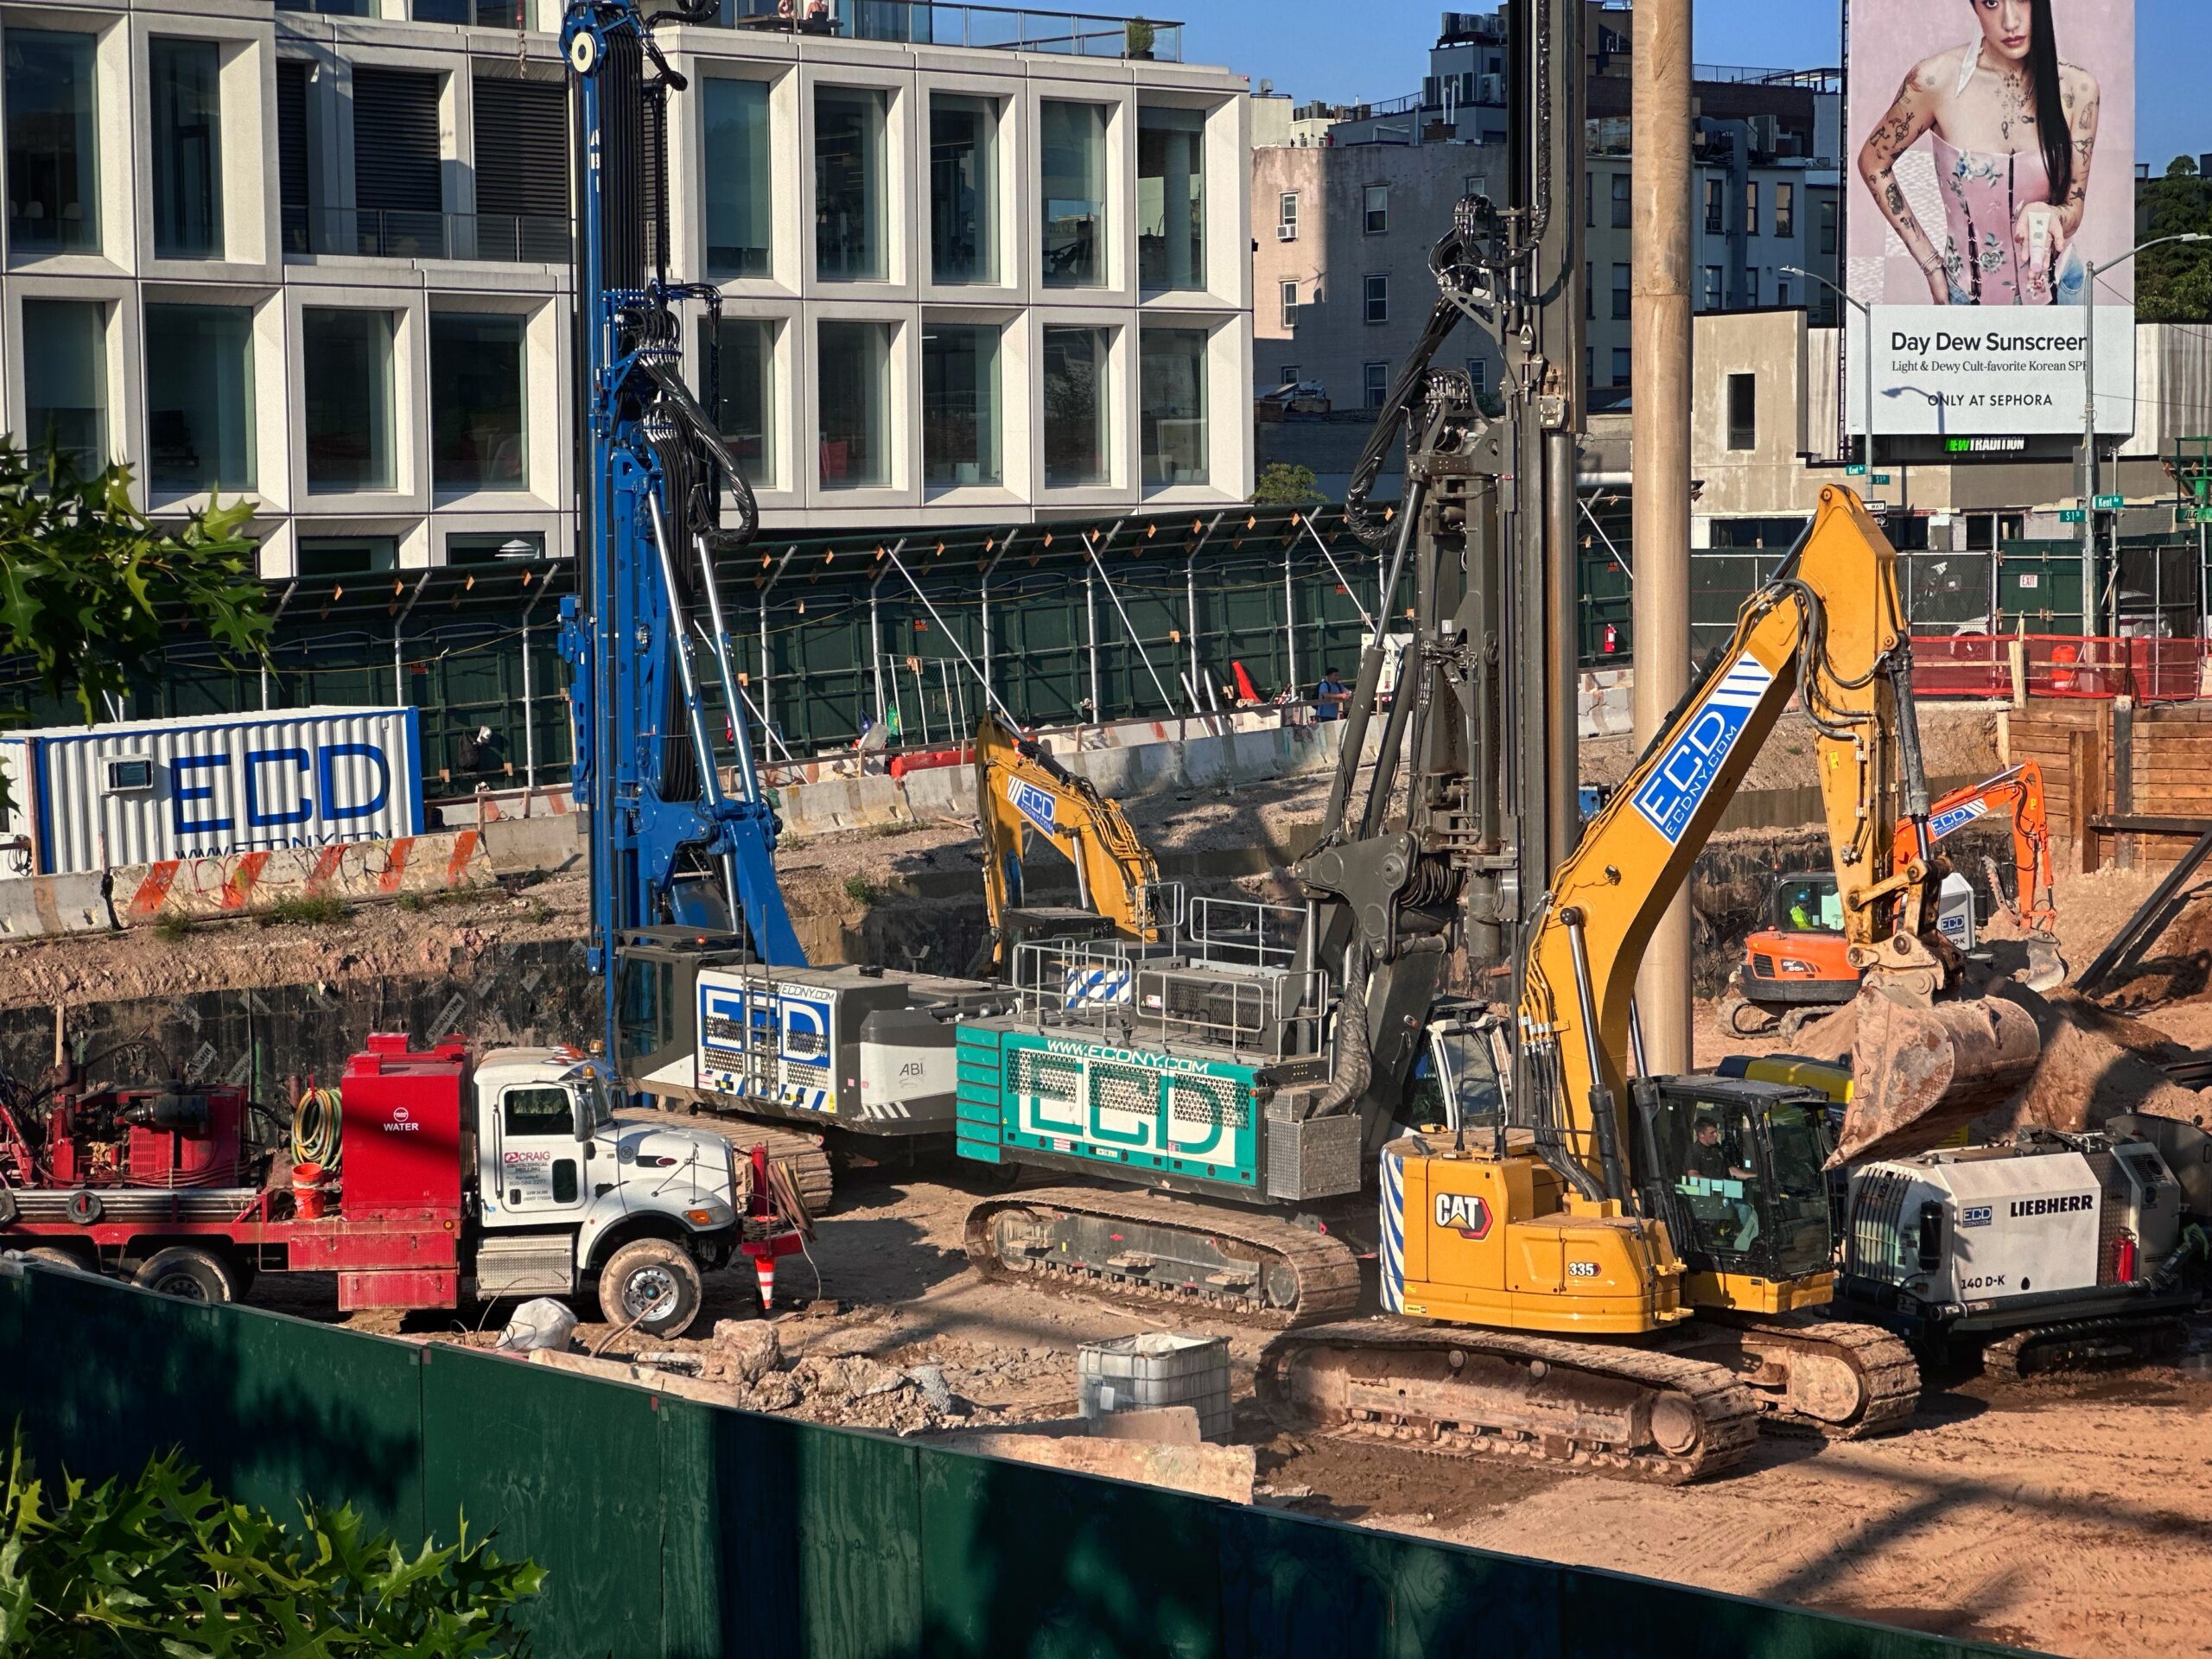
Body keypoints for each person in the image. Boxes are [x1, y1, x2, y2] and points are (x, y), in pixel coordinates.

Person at [1856, 0, 2101, 307]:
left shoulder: (2079, 89)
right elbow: (1873, 163)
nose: (2010, 22)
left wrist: (2052, 215)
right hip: (1967, 297)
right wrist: (1930, 264)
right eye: (1991, 2)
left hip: (2062, 292)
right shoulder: (1935, 81)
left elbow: (2074, 209)